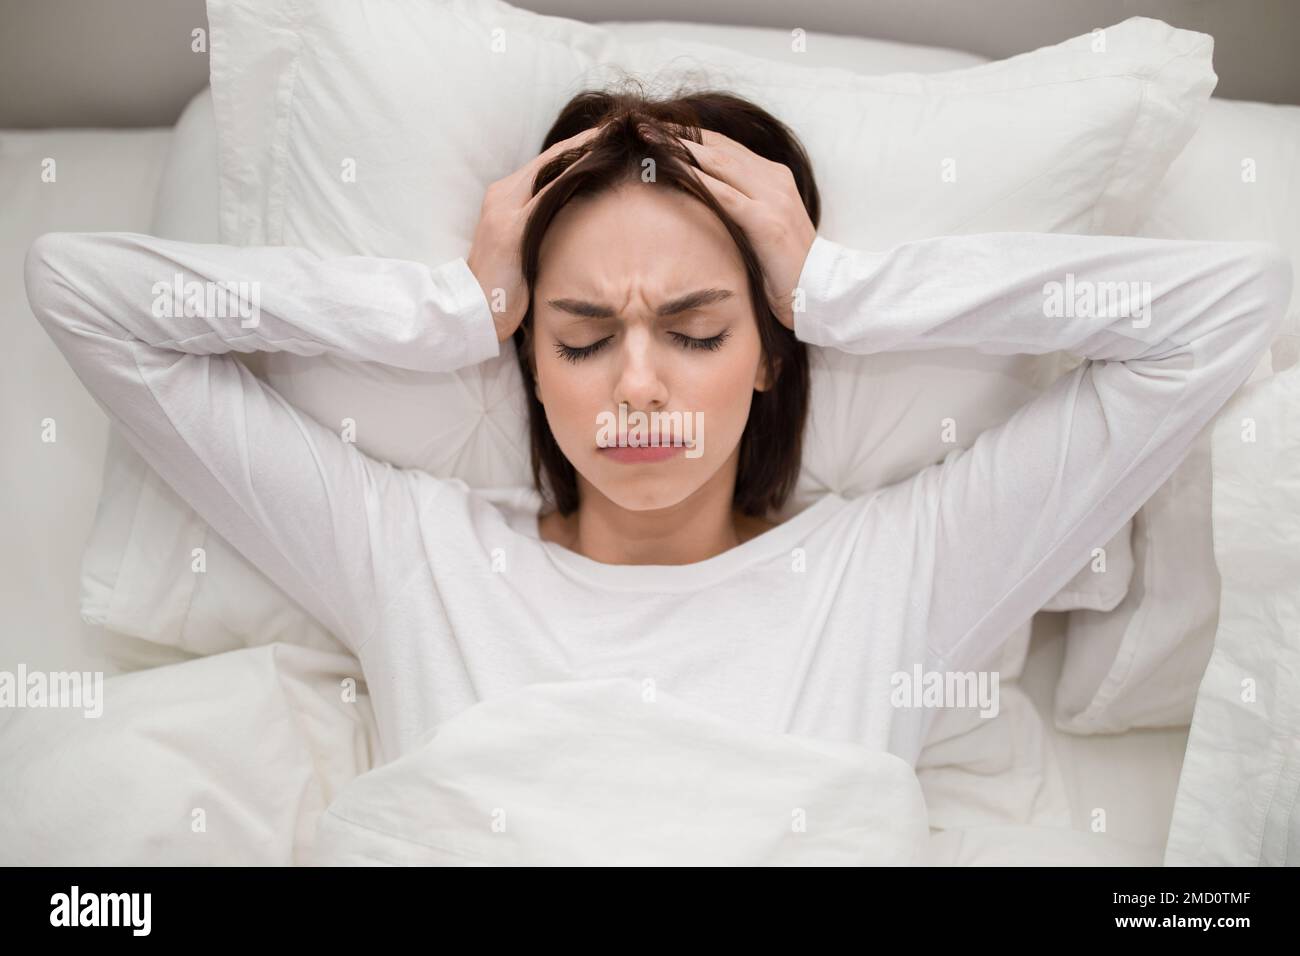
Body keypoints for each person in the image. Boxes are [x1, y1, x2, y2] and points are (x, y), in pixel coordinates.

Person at [24, 90, 1291, 768]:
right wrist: (446, 307)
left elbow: (1221, 312)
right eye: (580, 336)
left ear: (767, 353)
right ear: (526, 357)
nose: (636, 383)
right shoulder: (410, 551)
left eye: (694, 329)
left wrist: (848, 290)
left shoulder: (898, 569)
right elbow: (83, 292)